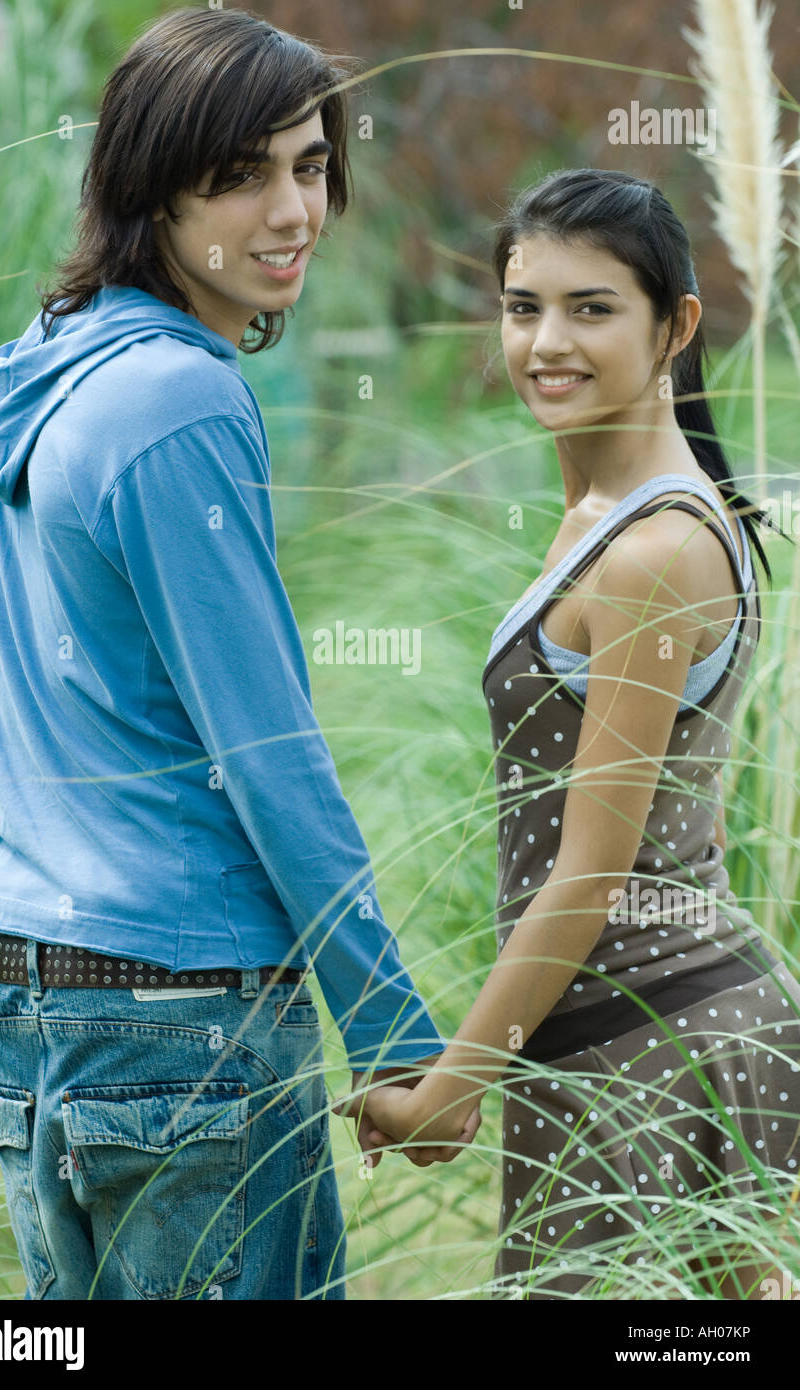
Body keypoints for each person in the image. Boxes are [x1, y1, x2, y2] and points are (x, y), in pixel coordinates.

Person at [0, 6, 479, 1302]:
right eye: (238, 174)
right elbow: (267, 753)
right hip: (185, 1021)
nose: (292, 207)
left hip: (33, 1006)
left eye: (307, 164)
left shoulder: (51, 380)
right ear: (151, 192)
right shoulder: (177, 399)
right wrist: (405, 1037)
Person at [334, 168, 800, 1300]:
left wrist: (456, 1080)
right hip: (632, 1019)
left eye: (592, 308)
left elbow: (588, 870)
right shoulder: (610, 511)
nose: (547, 340)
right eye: (522, 304)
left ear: (676, 326)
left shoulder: (656, 553)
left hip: (648, 1035)